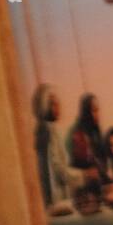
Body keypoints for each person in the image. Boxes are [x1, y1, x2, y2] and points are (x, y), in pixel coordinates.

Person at [31, 84, 92, 214]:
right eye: (53, 103)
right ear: (44, 107)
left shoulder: (41, 131)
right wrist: (85, 175)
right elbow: (58, 170)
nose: (58, 106)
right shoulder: (50, 130)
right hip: (57, 200)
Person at [65, 93, 106, 201]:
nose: (97, 114)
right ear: (86, 112)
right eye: (94, 110)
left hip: (98, 187)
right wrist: (86, 174)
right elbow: (70, 166)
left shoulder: (96, 132)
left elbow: (101, 160)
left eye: (98, 110)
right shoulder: (75, 133)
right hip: (81, 190)